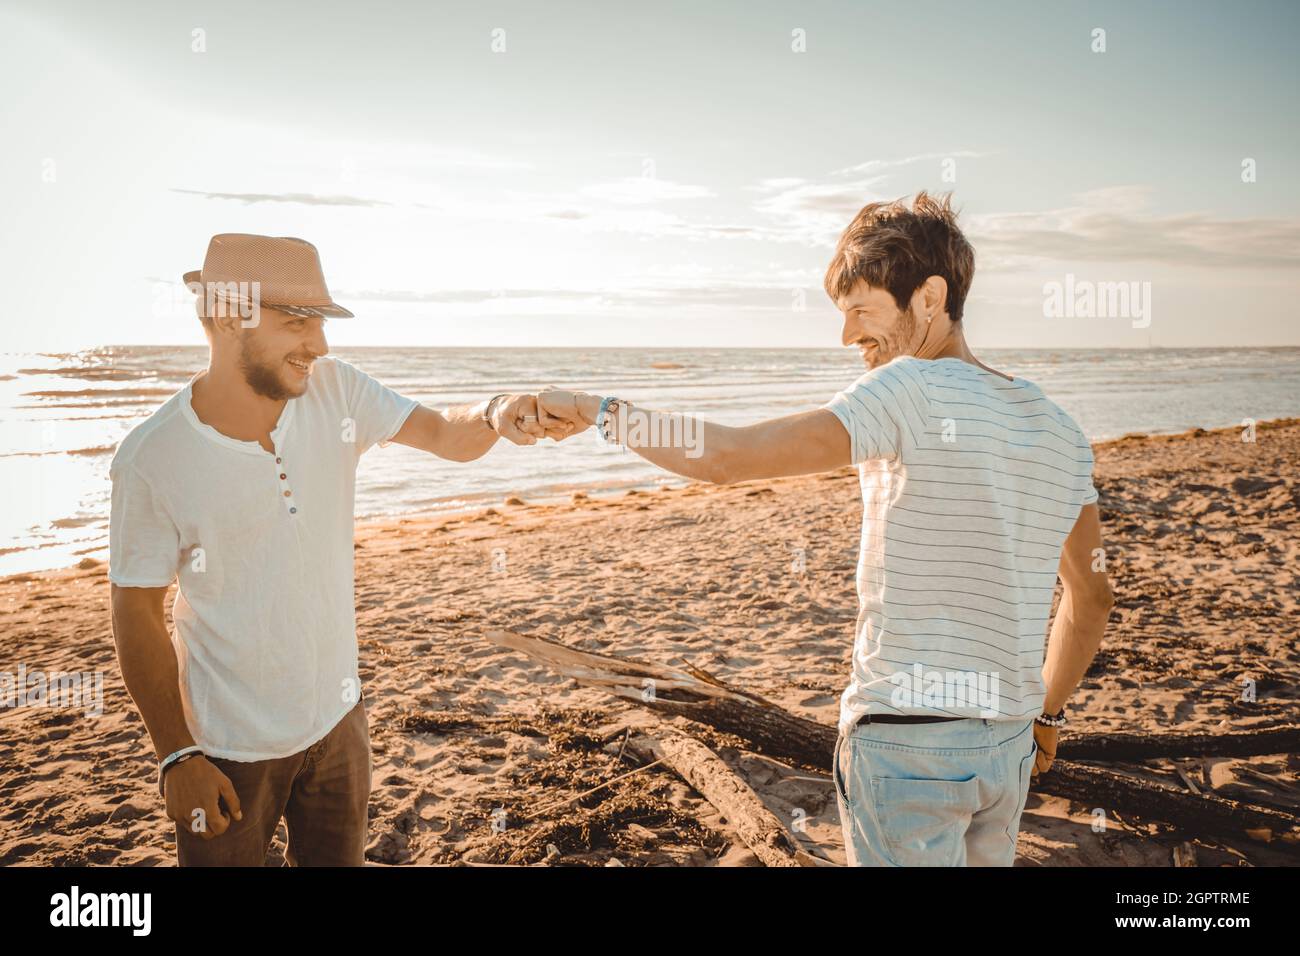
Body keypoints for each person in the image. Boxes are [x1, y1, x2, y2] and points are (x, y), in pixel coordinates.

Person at [535, 193, 1114, 866]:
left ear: (930, 297)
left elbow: (727, 456)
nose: (847, 336)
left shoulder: (905, 390)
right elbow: (1092, 597)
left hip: (906, 740)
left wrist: (597, 411)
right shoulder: (1060, 430)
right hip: (1006, 744)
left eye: (862, 310)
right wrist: (1047, 715)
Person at [108, 233, 569, 865]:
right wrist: (176, 753)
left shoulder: (337, 392)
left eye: (319, 322)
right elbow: (136, 611)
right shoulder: (152, 458)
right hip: (227, 747)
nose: (318, 345)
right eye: (297, 321)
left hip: (338, 721)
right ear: (223, 315)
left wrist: (496, 411)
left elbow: (446, 435)